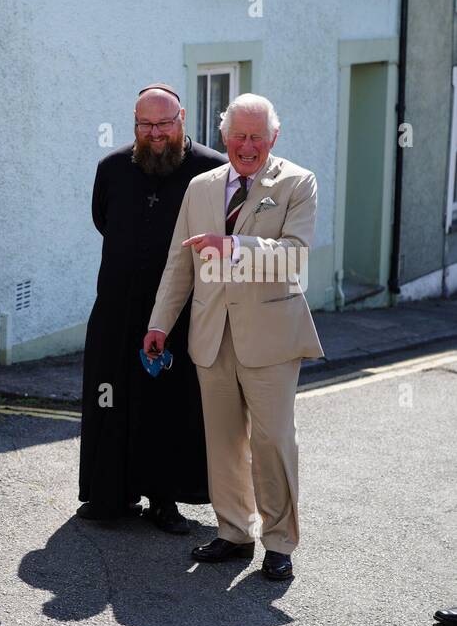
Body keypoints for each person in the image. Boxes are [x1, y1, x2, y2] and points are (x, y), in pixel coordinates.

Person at [144, 94, 323, 581]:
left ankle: (280, 542)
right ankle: (234, 531)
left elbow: (294, 257)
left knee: (272, 441)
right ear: (224, 136)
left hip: (272, 338)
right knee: (223, 444)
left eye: (257, 137)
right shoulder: (201, 187)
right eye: (239, 136)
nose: (248, 146)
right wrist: (160, 323)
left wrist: (234, 246)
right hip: (210, 333)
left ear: (273, 138)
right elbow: (180, 263)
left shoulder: (297, 183)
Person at [79, 84, 224, 533]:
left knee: (167, 404)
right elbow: (104, 220)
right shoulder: (112, 168)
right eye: (146, 124)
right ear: (135, 123)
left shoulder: (211, 171)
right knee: (110, 396)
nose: (156, 133)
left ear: (182, 118)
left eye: (165, 123)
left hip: (178, 311)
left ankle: (165, 501)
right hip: (117, 308)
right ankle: (110, 495)